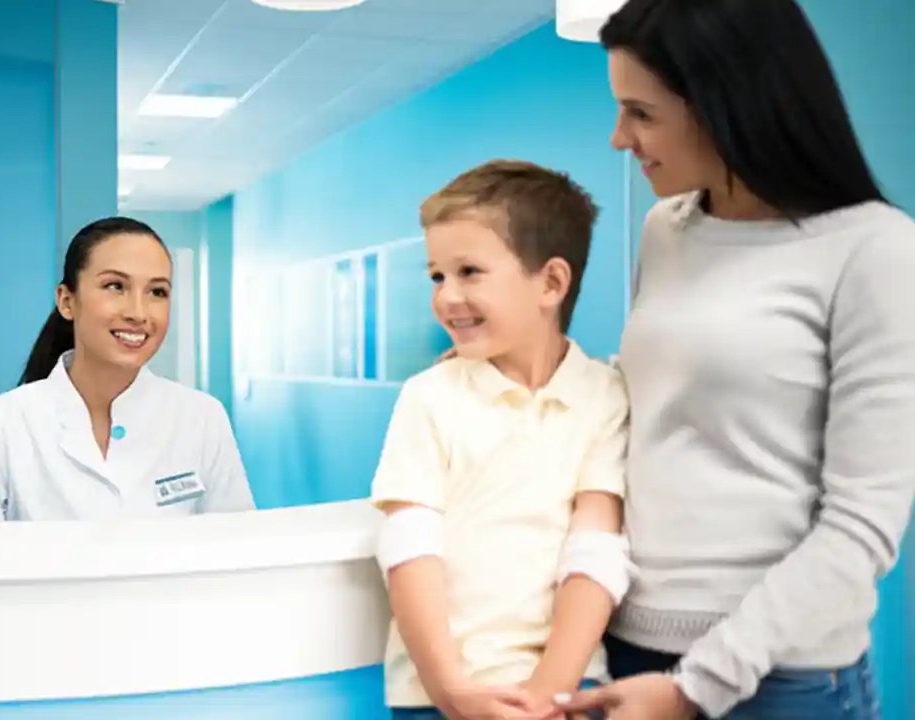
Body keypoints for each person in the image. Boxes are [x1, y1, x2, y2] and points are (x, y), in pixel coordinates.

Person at [554, 2, 915, 719]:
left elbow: (864, 522)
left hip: (777, 677)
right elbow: (655, 411)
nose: (618, 137)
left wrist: (697, 686)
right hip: (629, 648)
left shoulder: (875, 249)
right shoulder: (667, 229)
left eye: (641, 114)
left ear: (728, 102)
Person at [371, 159, 633, 720]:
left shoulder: (605, 397)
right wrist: (451, 691)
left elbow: (595, 554)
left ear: (552, 283)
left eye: (469, 272)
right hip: (439, 697)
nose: (446, 297)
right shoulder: (429, 397)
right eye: (437, 276)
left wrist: (547, 695)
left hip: (568, 691)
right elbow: (409, 548)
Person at [0, 217, 254, 521]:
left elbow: (238, 549)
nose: (138, 313)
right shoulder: (0, 425)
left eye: (157, 292)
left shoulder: (201, 418)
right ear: (67, 301)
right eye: (115, 286)